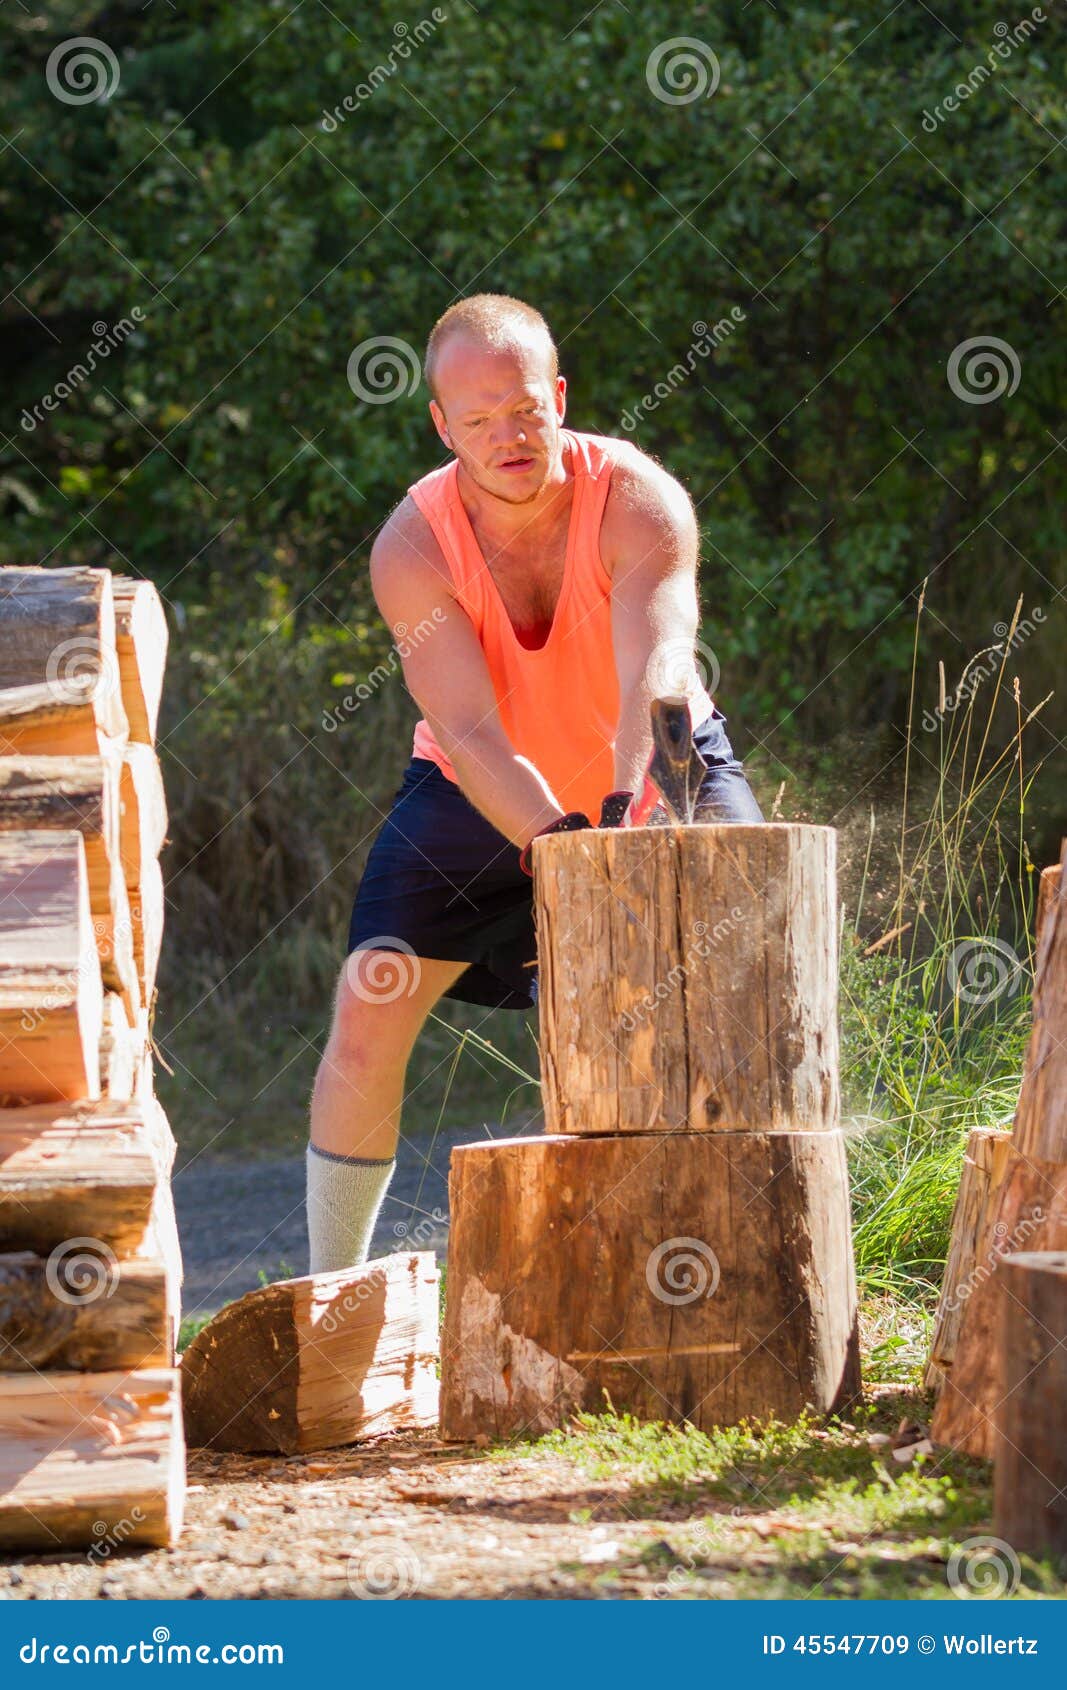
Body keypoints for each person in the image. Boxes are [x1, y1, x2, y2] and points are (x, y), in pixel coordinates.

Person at [305, 293, 763, 1272]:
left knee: (748, 972)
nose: (505, 437)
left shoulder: (637, 498)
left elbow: (659, 666)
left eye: (521, 410)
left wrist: (624, 811)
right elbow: (467, 730)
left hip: (654, 758)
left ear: (556, 396)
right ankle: (329, 1291)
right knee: (368, 1000)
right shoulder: (412, 545)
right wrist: (562, 847)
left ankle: (748, 1250)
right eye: (475, 421)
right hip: (482, 788)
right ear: (439, 425)